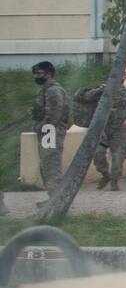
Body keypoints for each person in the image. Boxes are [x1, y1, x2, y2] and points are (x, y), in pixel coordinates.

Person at [76, 82, 126, 190]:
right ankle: (105, 175)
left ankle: (114, 181)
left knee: (118, 158)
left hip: (119, 130)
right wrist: (98, 90)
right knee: (98, 154)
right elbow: (85, 97)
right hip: (102, 130)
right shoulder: (103, 91)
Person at [30, 61, 70, 206]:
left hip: (51, 132)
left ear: (49, 74)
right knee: (46, 167)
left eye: (40, 74)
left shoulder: (53, 91)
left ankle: (57, 202)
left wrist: (38, 127)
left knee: (51, 167)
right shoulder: (44, 90)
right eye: (35, 73)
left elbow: (54, 116)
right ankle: (54, 199)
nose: (36, 76)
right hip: (47, 132)